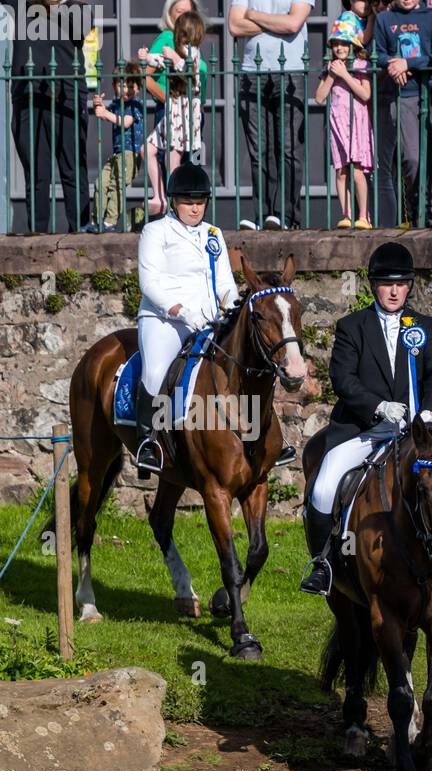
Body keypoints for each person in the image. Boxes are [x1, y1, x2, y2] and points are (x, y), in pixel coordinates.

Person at [300, 242, 432, 595]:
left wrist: (428, 411)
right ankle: (323, 564)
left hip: (417, 432)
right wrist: (380, 406)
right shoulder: (352, 326)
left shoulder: (424, 325)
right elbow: (343, 379)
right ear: (373, 286)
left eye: (401, 284)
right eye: (387, 284)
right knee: (323, 487)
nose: (395, 291)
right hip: (365, 430)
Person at [133, 161, 238, 475]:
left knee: (243, 362)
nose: (195, 208)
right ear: (174, 202)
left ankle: (262, 436)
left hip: (210, 321)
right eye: (188, 202)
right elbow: (148, 282)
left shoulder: (213, 234)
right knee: (155, 371)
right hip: (165, 320)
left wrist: (233, 310)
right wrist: (181, 311)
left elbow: (227, 283)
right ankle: (147, 441)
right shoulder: (155, 231)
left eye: (200, 202)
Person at [10, 0, 94, 233]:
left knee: (73, 169)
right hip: (27, 96)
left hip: (67, 95)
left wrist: (56, 5)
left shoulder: (77, 7)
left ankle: (80, 234)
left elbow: (83, 27)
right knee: (37, 173)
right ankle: (38, 235)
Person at [230, 0, 314, 230]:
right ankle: (263, 215)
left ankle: (286, 216)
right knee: (259, 150)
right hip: (251, 72)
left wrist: (252, 14)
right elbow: (235, 26)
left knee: (288, 148)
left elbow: (293, 23)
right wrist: (277, 21)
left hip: (290, 70)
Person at [372, 0, 432, 228]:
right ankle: (417, 211)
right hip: (403, 97)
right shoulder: (385, 19)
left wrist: (408, 63)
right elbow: (376, 53)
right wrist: (393, 65)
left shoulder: (431, 18)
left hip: (431, 94)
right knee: (413, 159)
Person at [143, 10, 207, 216]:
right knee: (148, 150)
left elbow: (193, 77)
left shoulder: (193, 53)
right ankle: (160, 196)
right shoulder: (175, 49)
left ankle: (174, 202)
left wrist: (174, 59)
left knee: (173, 159)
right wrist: (146, 57)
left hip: (185, 115)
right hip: (172, 112)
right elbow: (159, 61)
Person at [316, 12, 374, 229]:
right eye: (336, 44)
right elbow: (320, 97)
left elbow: (366, 95)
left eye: (344, 43)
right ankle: (346, 214)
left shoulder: (360, 66)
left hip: (357, 124)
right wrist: (333, 74)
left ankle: (363, 215)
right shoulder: (329, 68)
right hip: (338, 124)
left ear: (352, 44)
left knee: (358, 171)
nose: (340, 48)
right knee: (341, 171)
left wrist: (345, 74)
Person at [91, 63, 146, 232]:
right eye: (122, 85)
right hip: (117, 154)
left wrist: (105, 114)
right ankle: (96, 220)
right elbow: (104, 114)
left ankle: (110, 221)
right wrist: (98, 105)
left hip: (130, 154)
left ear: (137, 88)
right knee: (101, 182)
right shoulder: (116, 105)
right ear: (114, 85)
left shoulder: (135, 106)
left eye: (131, 86)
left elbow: (125, 122)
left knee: (117, 186)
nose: (126, 89)